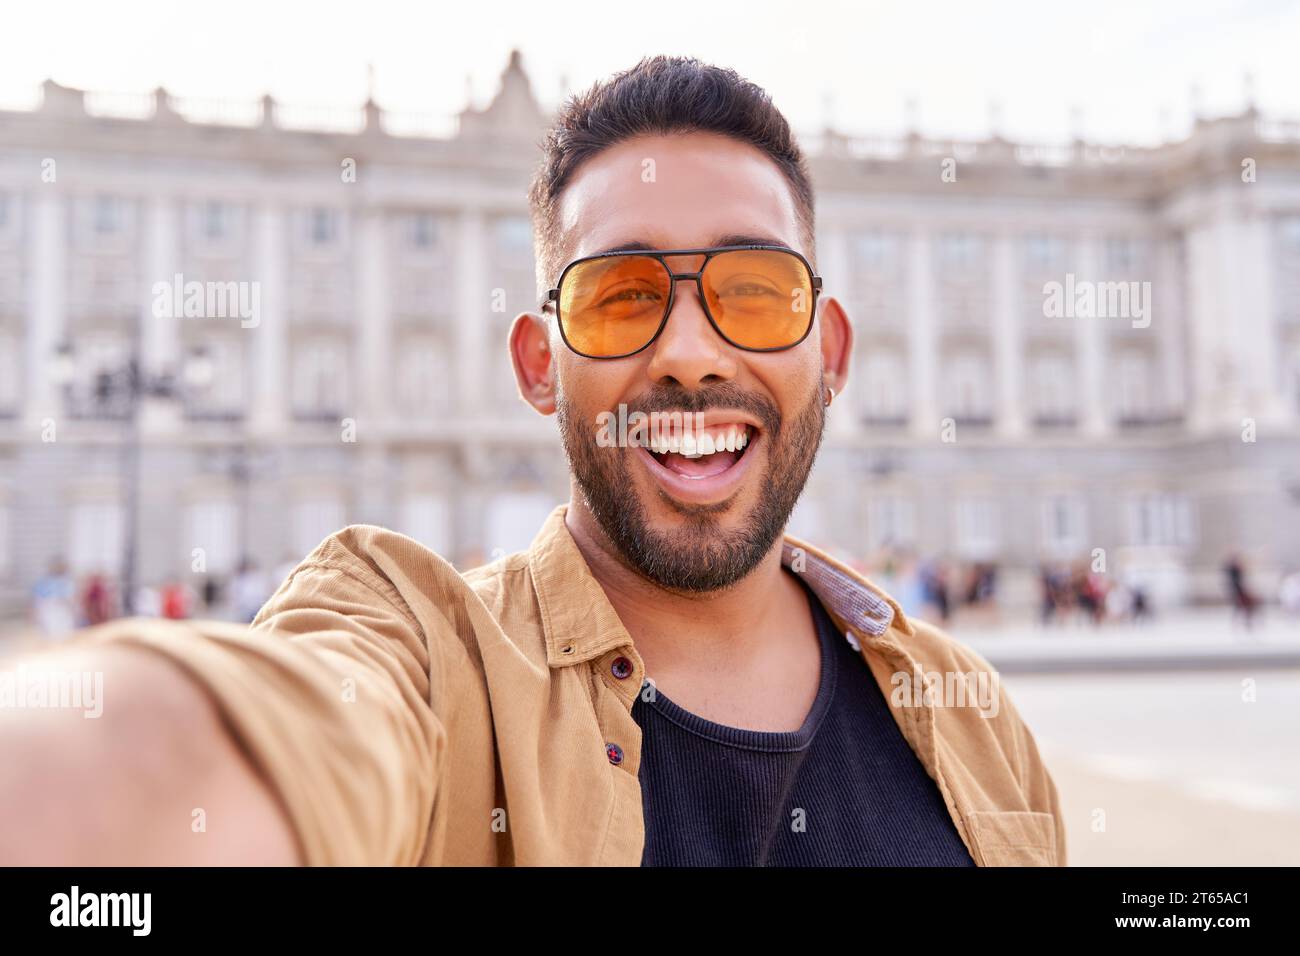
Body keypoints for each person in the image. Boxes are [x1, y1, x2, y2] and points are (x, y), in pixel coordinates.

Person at [0, 57, 1064, 867]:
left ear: (827, 352)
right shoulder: (426, 652)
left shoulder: (965, 709)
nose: (690, 353)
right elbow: (254, 732)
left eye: (752, 289)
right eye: (619, 295)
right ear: (537, 364)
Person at [30, 558, 77, 640]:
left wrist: (72, 609)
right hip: (49, 608)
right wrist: (34, 612)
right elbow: (37, 599)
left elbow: (69, 598)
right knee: (49, 632)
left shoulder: (66, 581)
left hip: (61, 608)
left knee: (63, 632)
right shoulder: (43, 581)